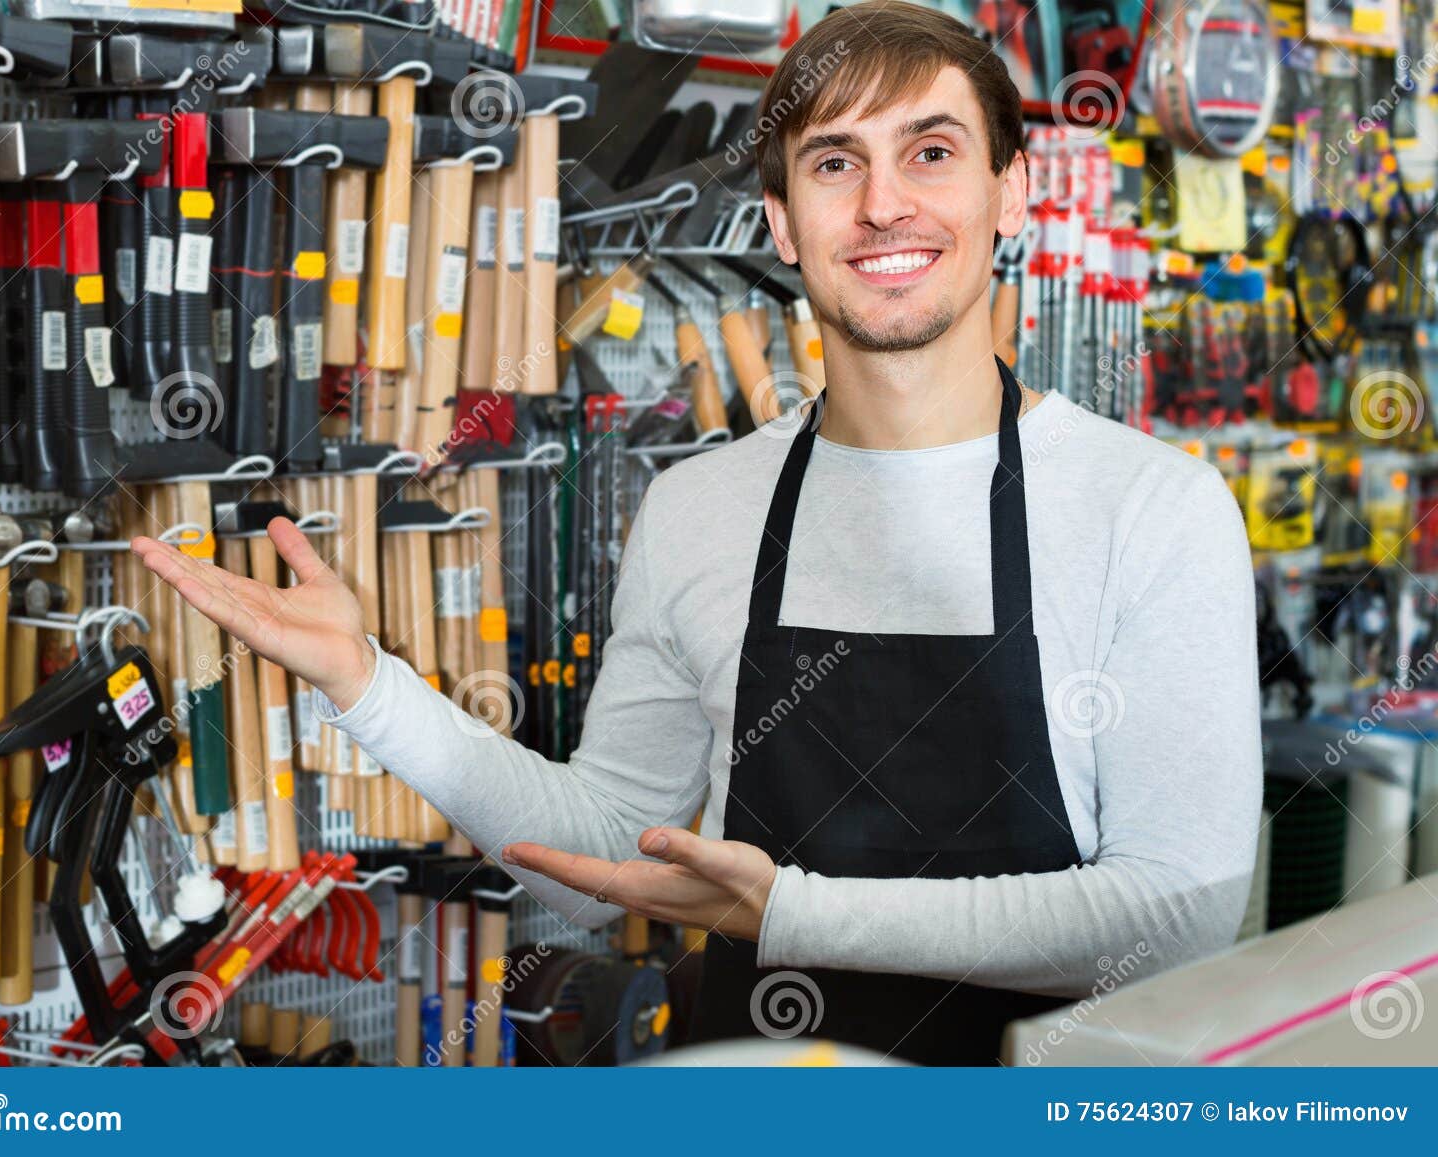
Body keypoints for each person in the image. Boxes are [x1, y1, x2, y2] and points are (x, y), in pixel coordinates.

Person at [135, 1, 1261, 1064]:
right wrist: (363, 679)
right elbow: (607, 857)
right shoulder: (703, 506)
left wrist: (794, 913)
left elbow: (1176, 911)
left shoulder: (1148, 507)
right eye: (833, 163)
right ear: (781, 220)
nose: (881, 205)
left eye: (929, 152)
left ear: (1010, 193)